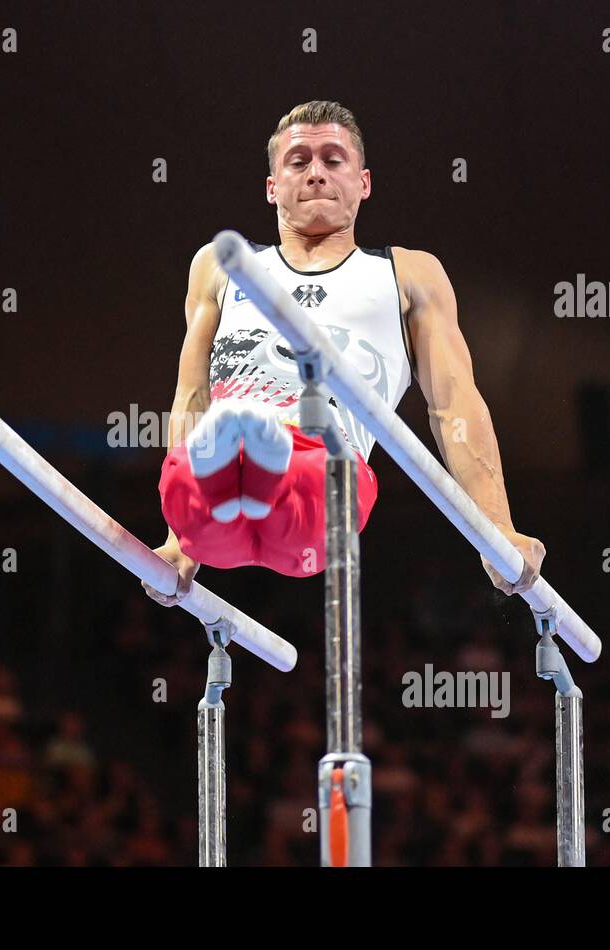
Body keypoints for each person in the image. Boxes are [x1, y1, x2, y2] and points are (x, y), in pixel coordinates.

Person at [143, 100, 545, 605]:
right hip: (223, 490)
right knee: (190, 486)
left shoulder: (409, 276)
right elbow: (191, 392)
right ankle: (231, 465)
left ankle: (253, 458)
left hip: (323, 479)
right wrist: (179, 544)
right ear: (272, 188)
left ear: (364, 182)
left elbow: (455, 404)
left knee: (299, 478)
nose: (316, 174)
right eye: (298, 162)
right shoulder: (221, 268)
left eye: (333, 160)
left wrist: (497, 530)